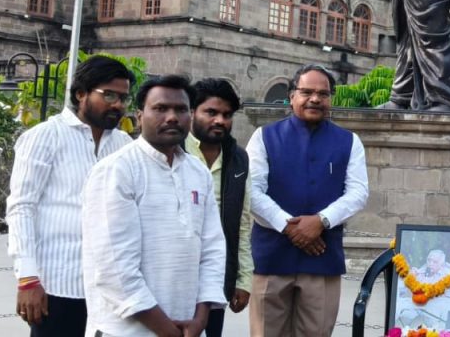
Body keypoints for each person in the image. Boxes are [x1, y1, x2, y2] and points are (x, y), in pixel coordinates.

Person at [82, 75, 227, 337]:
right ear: (140, 116)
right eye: (160, 108)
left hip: (189, 326)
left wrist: (200, 319)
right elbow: (114, 268)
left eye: (181, 110)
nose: (172, 117)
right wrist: (166, 330)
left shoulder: (197, 172)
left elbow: (213, 250)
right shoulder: (117, 170)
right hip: (126, 330)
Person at [5, 55, 136, 336]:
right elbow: (22, 208)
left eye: (123, 97)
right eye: (109, 95)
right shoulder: (45, 136)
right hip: (58, 285)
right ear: (81, 94)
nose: (118, 104)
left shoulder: (124, 145)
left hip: (112, 290)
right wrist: (27, 278)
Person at [247, 64, 369, 336]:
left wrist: (321, 221)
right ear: (292, 96)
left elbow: (358, 193)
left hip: (322, 260)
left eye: (323, 94)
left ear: (330, 99)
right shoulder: (264, 137)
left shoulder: (349, 142)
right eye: (306, 92)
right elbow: (252, 191)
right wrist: (290, 227)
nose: (315, 99)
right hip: (272, 259)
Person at [188, 78, 253, 336]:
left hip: (216, 275)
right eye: (211, 112)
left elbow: (243, 222)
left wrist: (243, 279)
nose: (220, 121)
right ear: (192, 112)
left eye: (227, 115)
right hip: (175, 273)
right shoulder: (175, 150)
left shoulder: (238, 158)